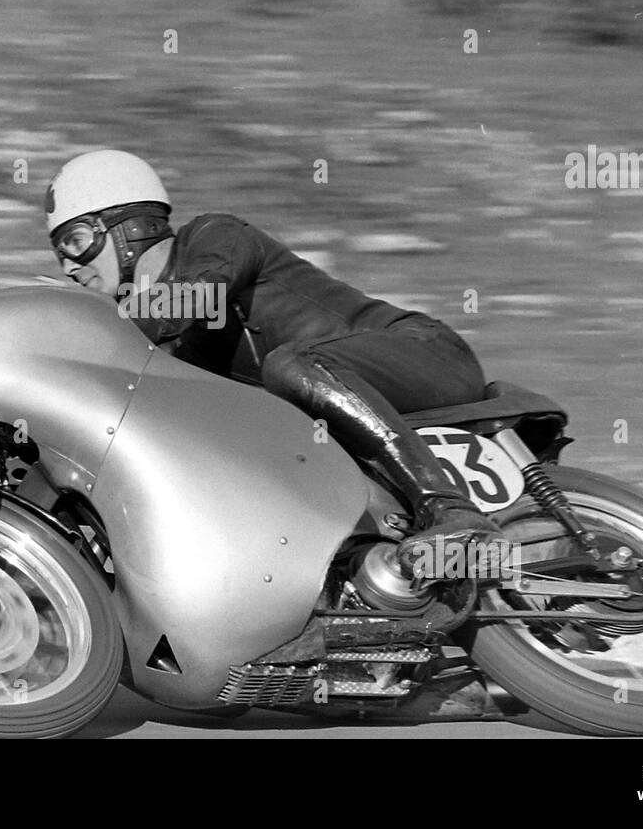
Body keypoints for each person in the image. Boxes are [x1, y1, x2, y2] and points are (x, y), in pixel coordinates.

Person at [44, 148, 498, 574]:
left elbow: (194, 295)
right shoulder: (176, 348)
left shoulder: (214, 237)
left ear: (130, 227)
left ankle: (449, 506)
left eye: (77, 240)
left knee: (290, 364)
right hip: (347, 415)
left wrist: (89, 335)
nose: (69, 266)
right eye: (60, 252)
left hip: (427, 353)